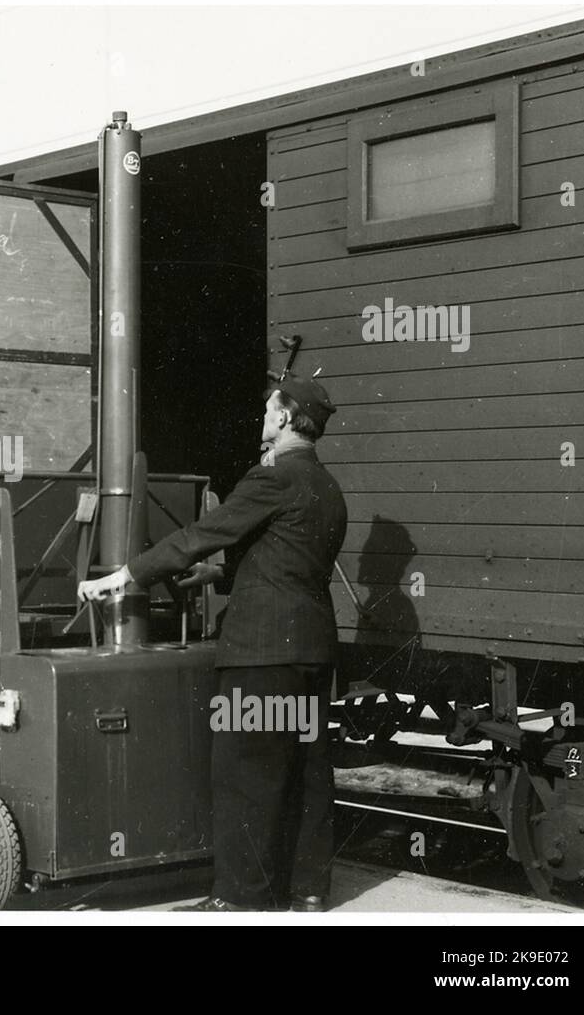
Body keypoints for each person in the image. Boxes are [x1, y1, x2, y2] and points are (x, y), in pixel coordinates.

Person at [77, 374, 347, 912]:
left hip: (261, 655)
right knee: (305, 773)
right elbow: (285, 558)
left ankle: (240, 900)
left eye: (270, 410)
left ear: (287, 419)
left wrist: (126, 575)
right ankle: (309, 889)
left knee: (245, 775)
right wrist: (213, 577)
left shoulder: (272, 478)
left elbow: (202, 534)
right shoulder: (328, 488)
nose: (262, 418)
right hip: (312, 652)